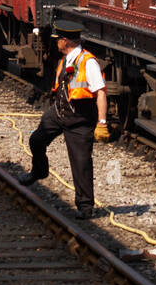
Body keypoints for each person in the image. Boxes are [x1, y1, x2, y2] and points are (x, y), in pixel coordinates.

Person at [18, 19, 109, 217]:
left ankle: (85, 208)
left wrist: (101, 123)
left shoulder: (88, 62)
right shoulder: (66, 59)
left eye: (59, 39)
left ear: (65, 41)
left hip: (80, 119)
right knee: (36, 140)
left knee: (81, 162)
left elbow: (100, 92)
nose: (56, 42)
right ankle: (39, 170)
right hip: (59, 113)